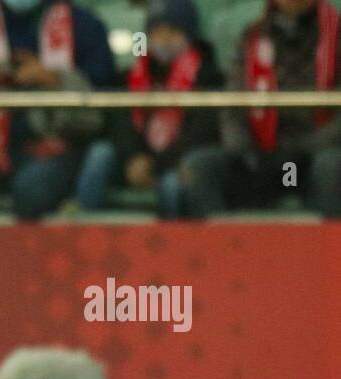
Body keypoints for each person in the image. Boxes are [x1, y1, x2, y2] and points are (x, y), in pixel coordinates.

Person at [0, 0, 116, 219]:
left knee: (31, 190)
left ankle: (22, 252)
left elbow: (106, 109)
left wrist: (55, 80)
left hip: (56, 147)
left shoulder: (85, 26)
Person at [180, 0, 341, 218]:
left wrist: (303, 149)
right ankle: (215, 250)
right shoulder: (253, 35)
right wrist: (244, 150)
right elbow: (233, 102)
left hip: (313, 157)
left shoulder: (336, 34)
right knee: (200, 166)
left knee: (331, 167)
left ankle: (328, 250)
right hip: (259, 156)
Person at [76, 0, 223, 218]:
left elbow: (201, 133)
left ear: (189, 35)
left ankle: (173, 245)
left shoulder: (208, 77)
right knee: (100, 154)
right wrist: (134, 157)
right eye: (156, 31)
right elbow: (118, 121)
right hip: (134, 159)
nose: (163, 39)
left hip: (175, 161)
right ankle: (81, 227)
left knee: (173, 184)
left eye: (172, 31)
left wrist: (156, 164)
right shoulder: (131, 75)